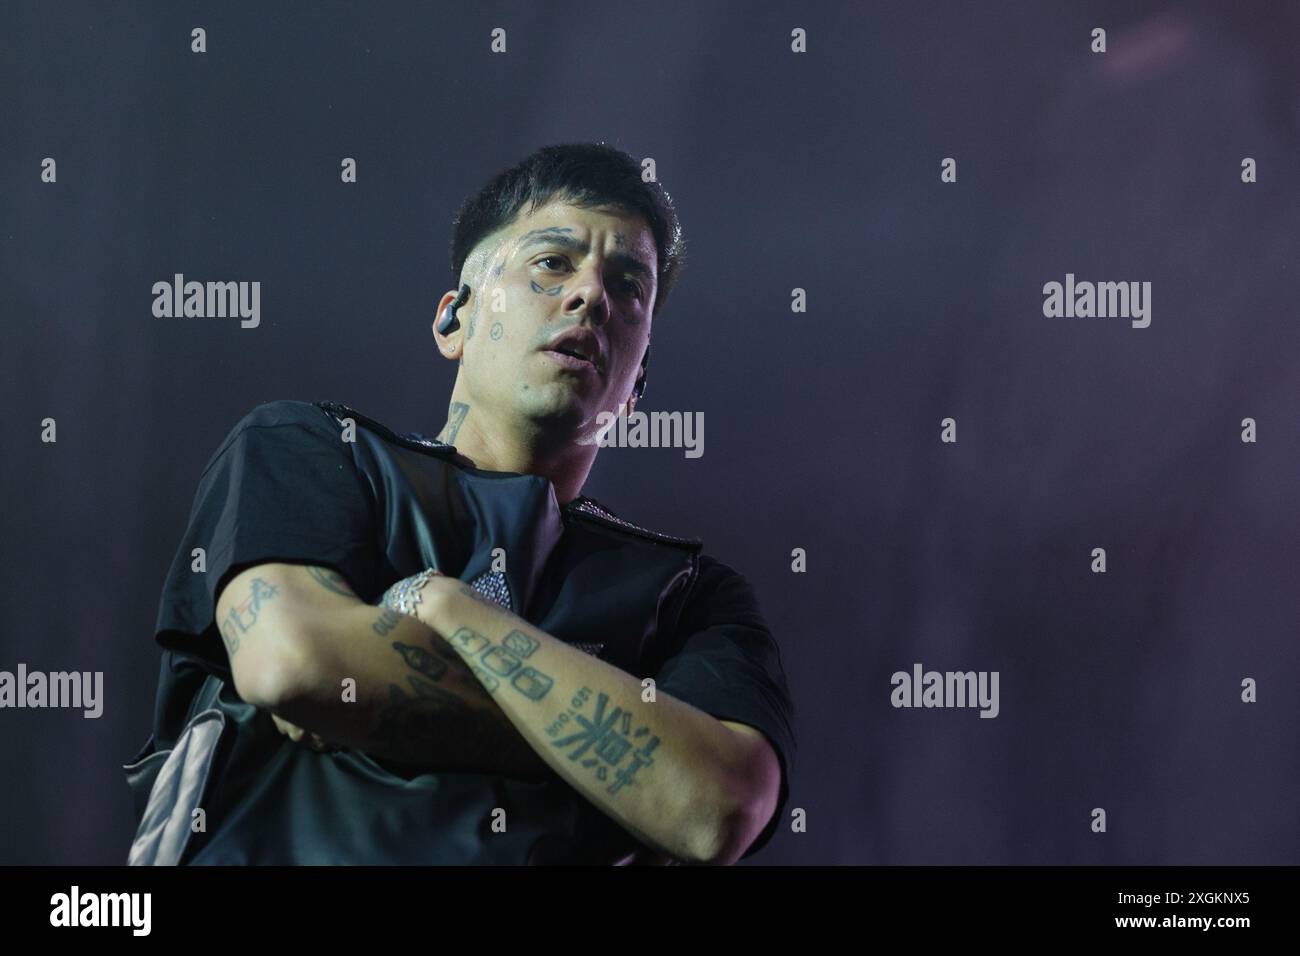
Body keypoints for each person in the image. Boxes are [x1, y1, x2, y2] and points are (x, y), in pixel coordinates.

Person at [124, 142, 796, 865]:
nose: (591, 296)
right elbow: (293, 663)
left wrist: (448, 608)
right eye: (552, 262)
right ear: (454, 321)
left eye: (629, 286)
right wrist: (625, 758)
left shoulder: (690, 594)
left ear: (636, 390)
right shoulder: (313, 449)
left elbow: (715, 809)